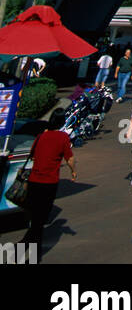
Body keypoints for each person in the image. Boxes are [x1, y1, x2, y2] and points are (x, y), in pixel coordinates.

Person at [23, 108, 77, 261]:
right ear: (61, 122)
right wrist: (73, 172)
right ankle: (22, 252)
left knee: (36, 222)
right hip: (48, 184)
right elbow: (70, 159)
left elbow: (32, 156)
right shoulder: (62, 137)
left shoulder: (41, 136)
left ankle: (33, 256)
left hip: (34, 182)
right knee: (38, 224)